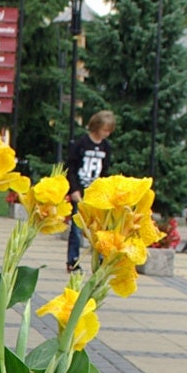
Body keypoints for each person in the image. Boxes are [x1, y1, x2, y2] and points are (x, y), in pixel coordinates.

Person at [65, 110, 115, 271]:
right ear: (96, 126)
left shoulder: (106, 147)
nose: (106, 134)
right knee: (77, 227)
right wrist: (74, 189)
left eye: (109, 131)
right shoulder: (81, 143)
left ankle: (100, 259)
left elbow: (105, 171)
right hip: (80, 190)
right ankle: (73, 260)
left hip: (96, 193)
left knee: (99, 227)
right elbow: (71, 167)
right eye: (105, 130)